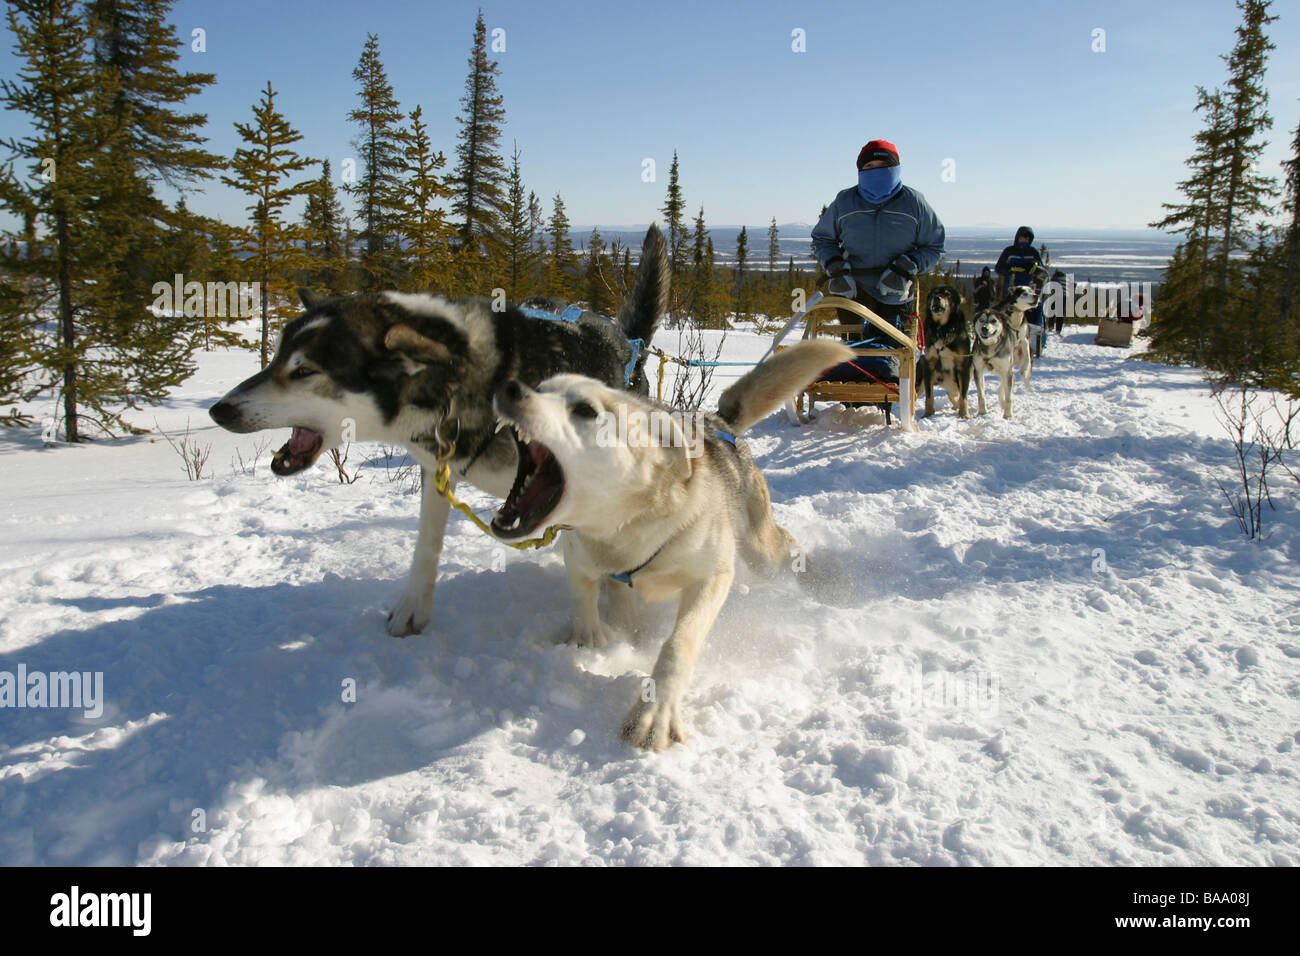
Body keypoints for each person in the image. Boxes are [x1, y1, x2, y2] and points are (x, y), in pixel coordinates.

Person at [811, 139, 946, 370]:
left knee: (892, 355)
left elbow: (934, 246)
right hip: (853, 289)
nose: (876, 171)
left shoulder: (914, 203)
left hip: (897, 291)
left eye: (882, 166)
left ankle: (886, 399)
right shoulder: (845, 201)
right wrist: (835, 267)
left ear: (895, 168)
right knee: (853, 352)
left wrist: (907, 266)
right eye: (869, 167)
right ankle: (852, 399)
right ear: (860, 171)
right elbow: (823, 239)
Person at [994, 226, 1042, 297]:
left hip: (1027, 288)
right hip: (1011, 289)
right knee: (1008, 306)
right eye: (1022, 238)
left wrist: (1034, 268)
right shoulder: (1009, 251)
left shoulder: (1033, 252)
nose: (1024, 240)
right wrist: (1010, 268)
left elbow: (1041, 269)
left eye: (1027, 238)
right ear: (1018, 238)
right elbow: (998, 269)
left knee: (1037, 306)